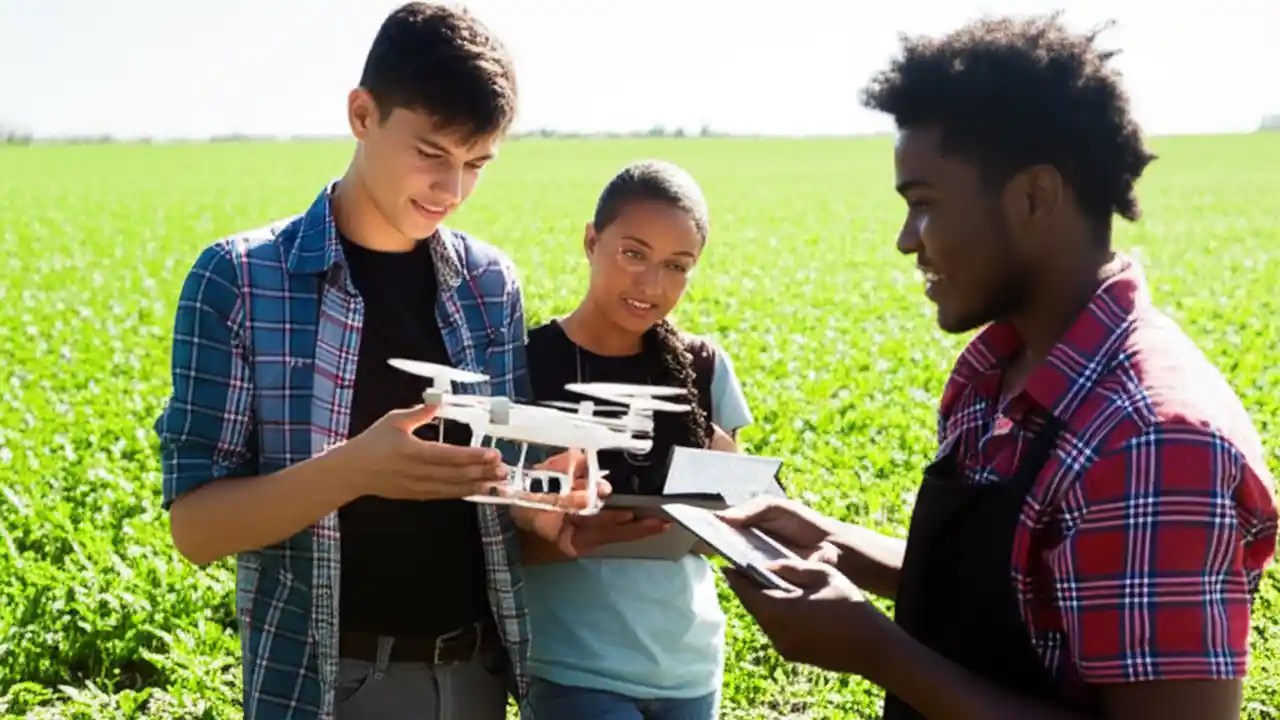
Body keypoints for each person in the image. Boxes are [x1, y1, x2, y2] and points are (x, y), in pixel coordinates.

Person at [719, 13, 1278, 720]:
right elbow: (1032, 589)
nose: (904, 241)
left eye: (923, 205)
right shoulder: (995, 372)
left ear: (1034, 198)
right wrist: (833, 542)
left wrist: (879, 652)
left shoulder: (1155, 441)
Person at [154, 4, 584, 718]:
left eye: (476, 164)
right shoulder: (239, 279)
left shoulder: (488, 285)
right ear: (362, 114)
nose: (452, 191)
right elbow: (195, 529)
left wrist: (543, 501)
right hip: (326, 687)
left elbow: (495, 486)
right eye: (431, 153)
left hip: (478, 675)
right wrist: (355, 471)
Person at [516, 159, 754, 719]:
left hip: (690, 667)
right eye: (633, 254)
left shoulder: (704, 368)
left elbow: (743, 513)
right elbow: (489, 537)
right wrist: (570, 535)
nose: (652, 284)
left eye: (677, 266)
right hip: (574, 668)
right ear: (591, 241)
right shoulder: (528, 364)